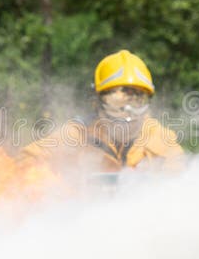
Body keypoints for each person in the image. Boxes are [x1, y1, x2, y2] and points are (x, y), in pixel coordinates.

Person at [19, 50, 183, 182]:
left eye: (137, 100)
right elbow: (26, 161)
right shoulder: (78, 133)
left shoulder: (162, 140)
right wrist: (57, 188)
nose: (127, 111)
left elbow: (178, 187)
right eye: (117, 101)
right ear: (97, 102)